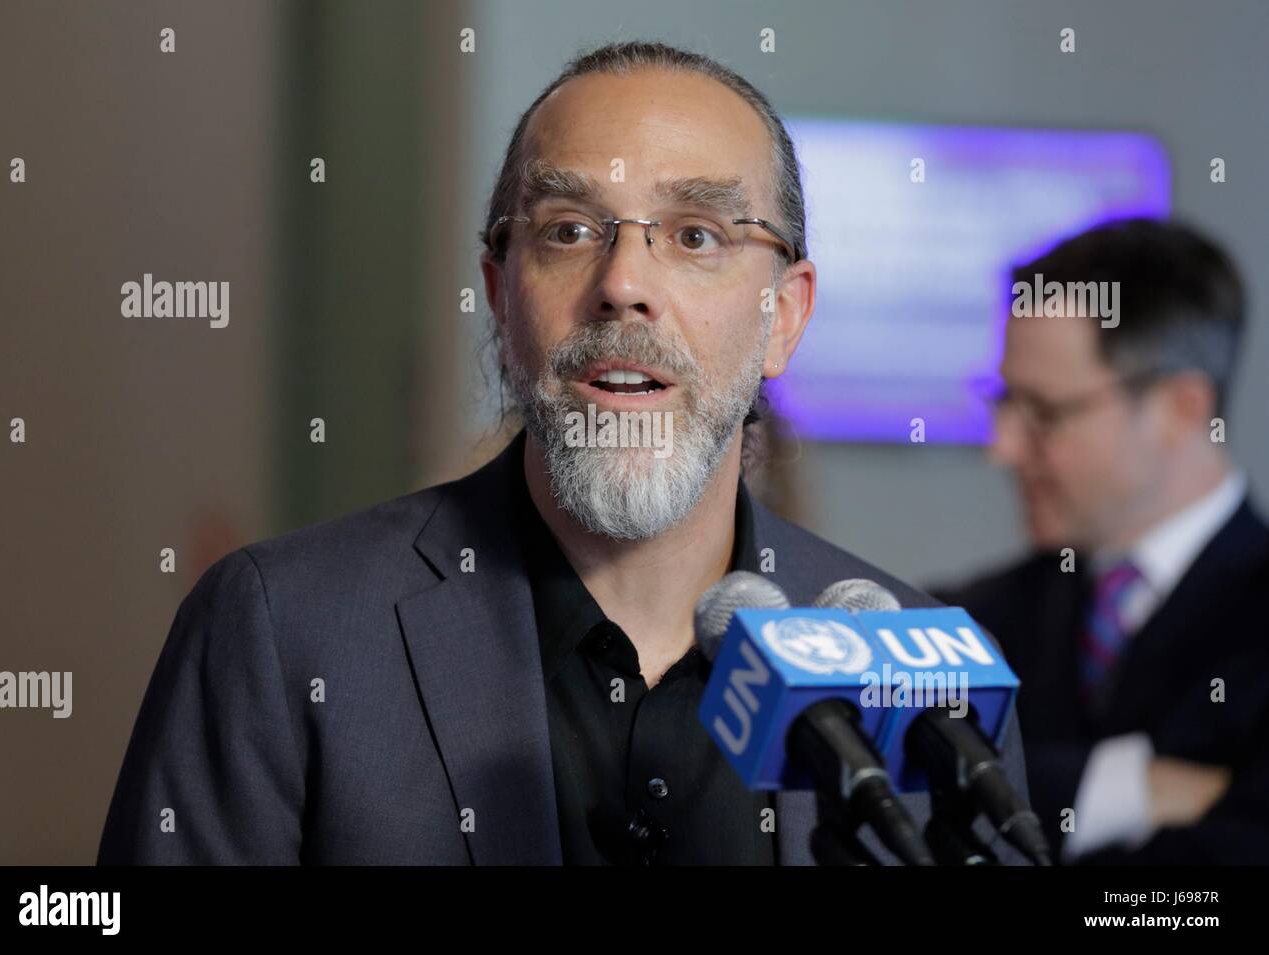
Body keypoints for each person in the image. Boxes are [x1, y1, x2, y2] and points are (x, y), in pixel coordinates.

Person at [98, 39, 1031, 865]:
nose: (623, 284)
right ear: (501, 297)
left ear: (783, 316)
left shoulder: (918, 675)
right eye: (570, 231)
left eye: (696, 236)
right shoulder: (282, 630)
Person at [935, 218, 1269, 864]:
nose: (1001, 448)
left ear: (1181, 407)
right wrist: (1122, 789)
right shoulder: (968, 620)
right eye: (1002, 402)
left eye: (1044, 413)